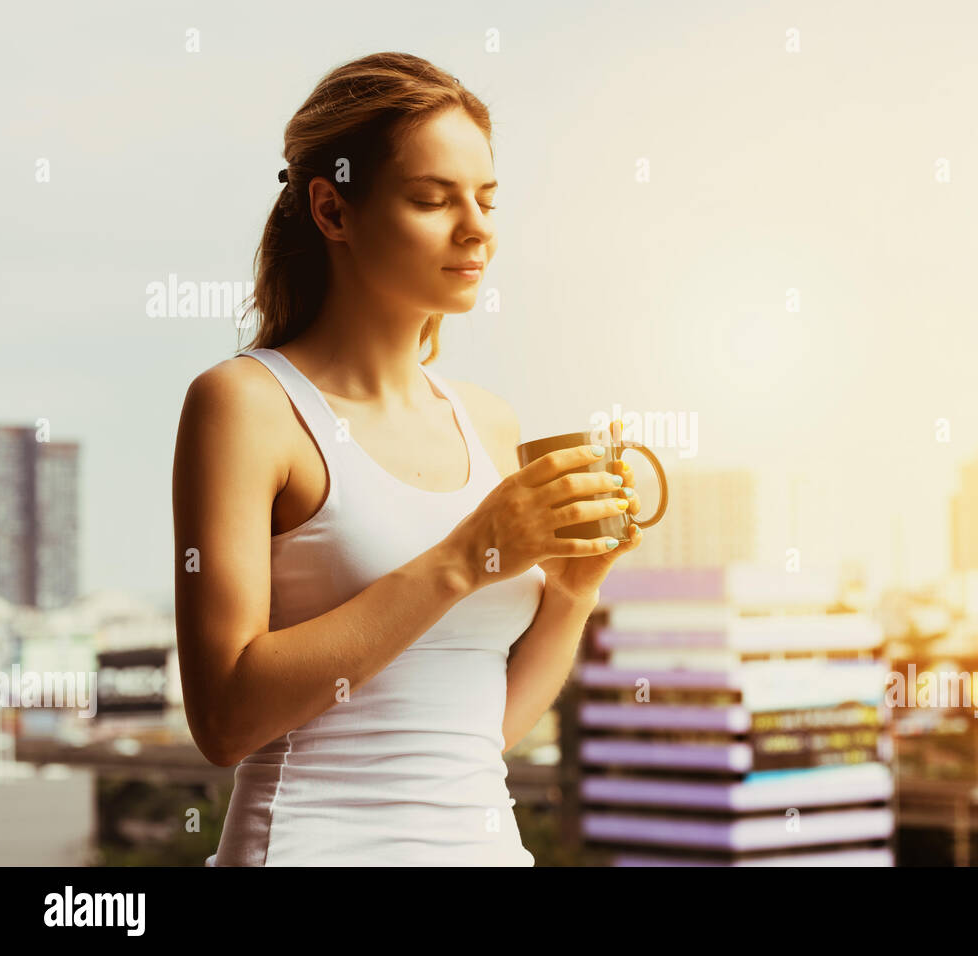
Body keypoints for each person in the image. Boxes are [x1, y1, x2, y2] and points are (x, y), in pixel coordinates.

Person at [171, 52, 643, 865]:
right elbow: (224, 720)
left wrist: (569, 594)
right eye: (433, 199)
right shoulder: (245, 406)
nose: (476, 228)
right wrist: (468, 556)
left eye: (487, 200)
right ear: (332, 210)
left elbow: (469, 736)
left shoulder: (489, 424)